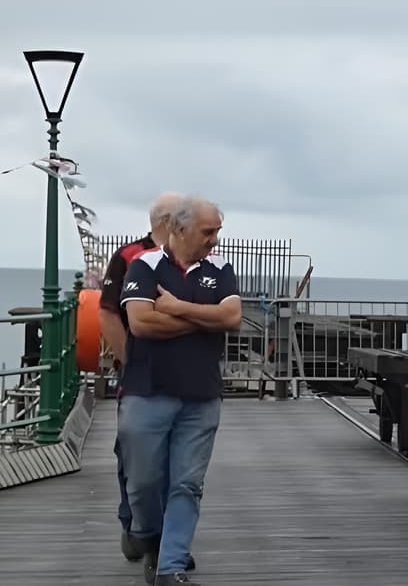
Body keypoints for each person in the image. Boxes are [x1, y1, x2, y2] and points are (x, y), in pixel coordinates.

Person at [118, 196, 241, 586]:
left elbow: (232, 316)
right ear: (180, 229)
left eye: (218, 232)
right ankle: (151, 538)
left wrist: (174, 306)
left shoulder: (220, 269)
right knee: (143, 482)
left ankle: (170, 566)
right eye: (208, 232)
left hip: (201, 395)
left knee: (187, 483)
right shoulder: (144, 265)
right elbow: (141, 324)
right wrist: (204, 319)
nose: (215, 241)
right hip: (146, 391)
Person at [98, 192, 195, 569]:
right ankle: (133, 523)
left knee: (179, 465)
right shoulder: (128, 257)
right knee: (136, 459)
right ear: (168, 222)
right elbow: (107, 316)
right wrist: (132, 362)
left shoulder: (193, 261)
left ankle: (165, 548)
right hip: (140, 380)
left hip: (186, 380)